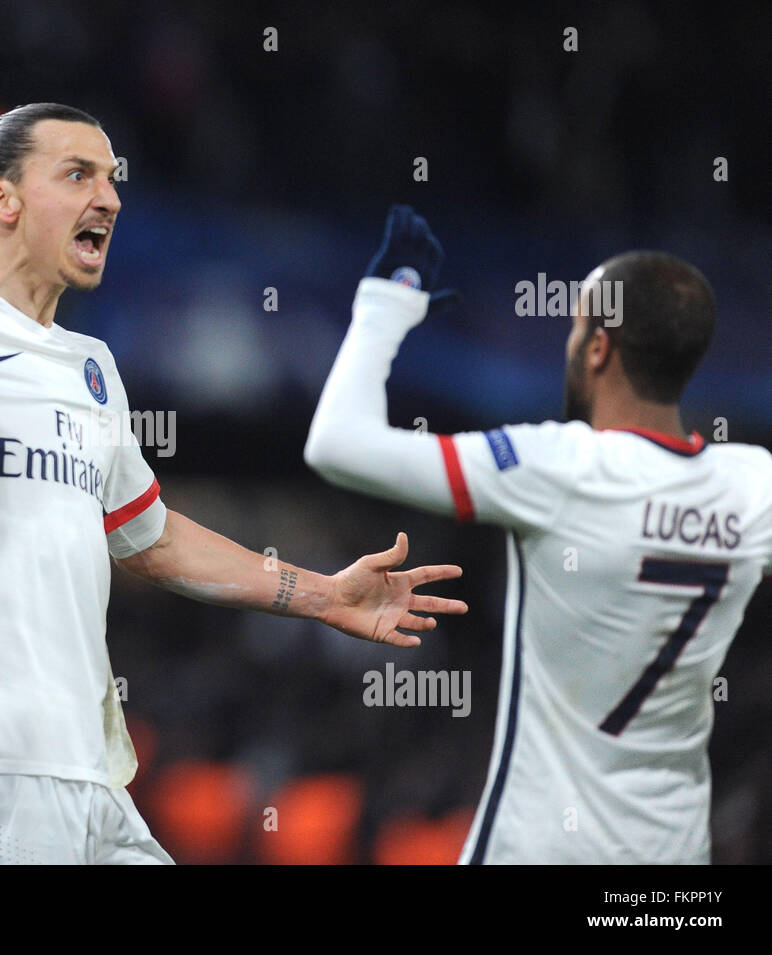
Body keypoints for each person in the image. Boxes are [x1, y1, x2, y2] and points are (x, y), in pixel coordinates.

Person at [0, 105, 468, 864]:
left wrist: (320, 594)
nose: (108, 197)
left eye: (111, 177)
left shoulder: (90, 367)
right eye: (77, 174)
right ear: (2, 201)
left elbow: (153, 538)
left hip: (92, 774)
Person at [305, 205, 772, 863]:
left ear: (599, 348)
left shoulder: (557, 465)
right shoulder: (753, 484)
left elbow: (337, 445)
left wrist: (386, 305)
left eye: (576, 326)